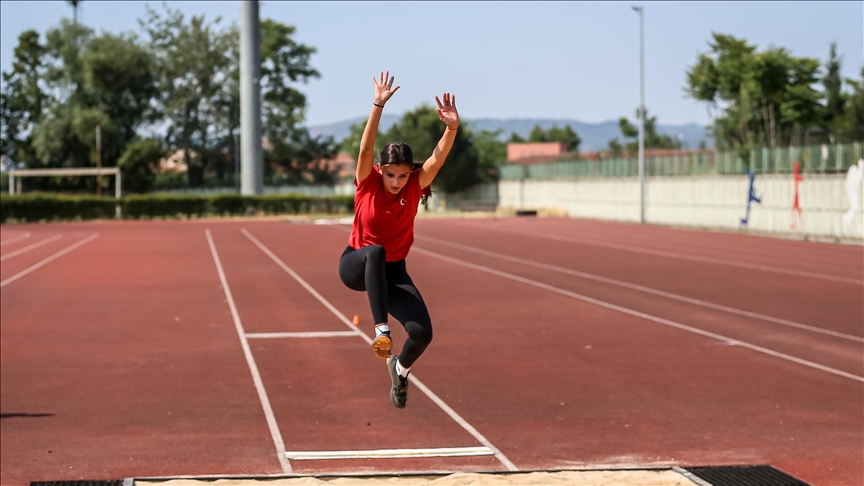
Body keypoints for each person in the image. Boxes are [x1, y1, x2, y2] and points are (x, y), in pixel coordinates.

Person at [337, 71, 459, 409]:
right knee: (375, 250)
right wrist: (378, 104)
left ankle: (400, 370)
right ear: (380, 169)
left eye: (403, 176)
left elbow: (437, 158)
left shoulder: (415, 185)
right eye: (390, 175)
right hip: (356, 263)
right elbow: (364, 147)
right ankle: (381, 331)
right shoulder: (367, 182)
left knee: (422, 333)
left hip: (393, 272)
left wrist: (451, 128)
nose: (396, 182)